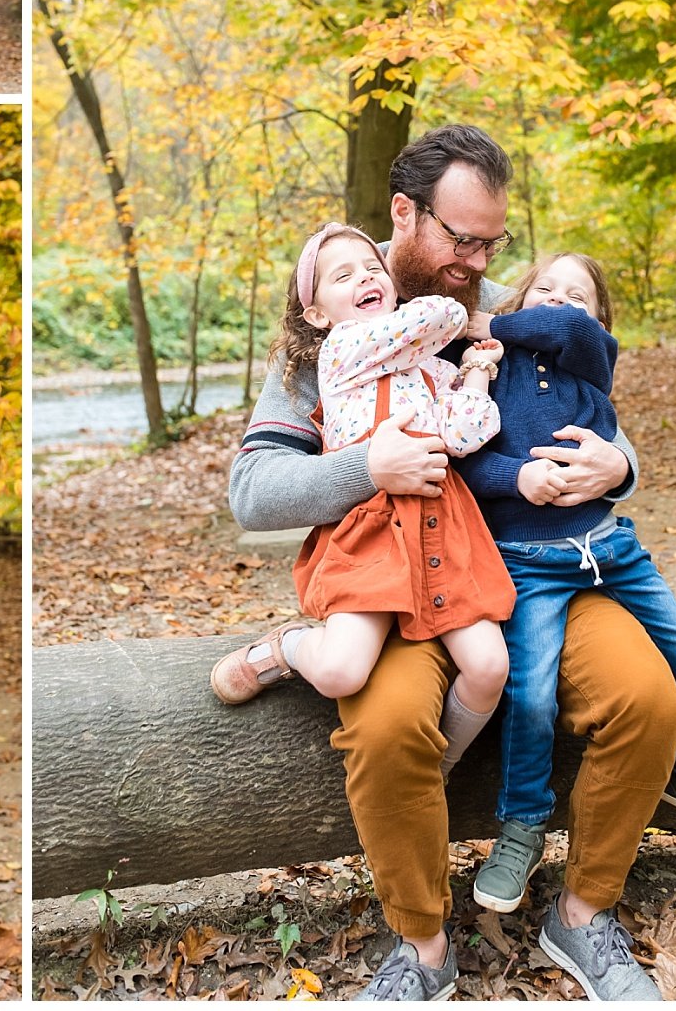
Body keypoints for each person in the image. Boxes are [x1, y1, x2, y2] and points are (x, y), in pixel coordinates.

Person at [230, 124, 676, 1001]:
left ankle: (583, 916)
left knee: (648, 699)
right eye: (460, 237)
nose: (478, 260)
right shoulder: (330, 324)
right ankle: (425, 948)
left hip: (525, 568)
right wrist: (370, 466)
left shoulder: (504, 311)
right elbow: (254, 492)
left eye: (491, 241)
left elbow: (606, 420)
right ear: (405, 212)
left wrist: (622, 466)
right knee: (391, 728)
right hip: (397, 585)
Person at [454, 252, 676, 919]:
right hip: (527, 561)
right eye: (547, 289)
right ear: (522, 297)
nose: (561, 302)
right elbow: (467, 461)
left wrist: (502, 323)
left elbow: (581, 334)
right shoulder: (487, 372)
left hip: (608, 549)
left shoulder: (587, 364)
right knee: (528, 696)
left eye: (578, 295)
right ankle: (523, 823)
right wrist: (518, 479)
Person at [210, 222, 514, 782]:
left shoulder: (431, 369)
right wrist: (469, 315)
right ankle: (287, 648)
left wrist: (474, 373)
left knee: (490, 666)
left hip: (443, 526)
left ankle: (443, 765)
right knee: (342, 671)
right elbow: (440, 318)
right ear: (319, 314)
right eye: (343, 275)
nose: (366, 277)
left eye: (374, 269)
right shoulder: (344, 351)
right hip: (373, 530)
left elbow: (469, 433)